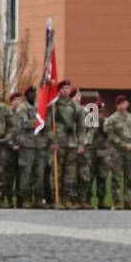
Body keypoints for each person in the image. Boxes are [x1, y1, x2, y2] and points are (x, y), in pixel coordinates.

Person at [49, 80, 83, 209]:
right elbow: (47, 126)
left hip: (72, 144)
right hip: (58, 143)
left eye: (68, 88)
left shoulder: (76, 107)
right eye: (63, 88)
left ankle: (67, 199)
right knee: (56, 172)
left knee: (70, 173)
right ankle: (56, 199)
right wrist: (52, 140)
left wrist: (81, 143)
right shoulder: (53, 105)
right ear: (59, 90)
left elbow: (81, 127)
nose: (66, 90)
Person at [103, 95, 131, 210]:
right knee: (116, 178)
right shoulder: (111, 119)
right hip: (117, 152)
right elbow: (110, 135)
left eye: (124, 102)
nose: (122, 104)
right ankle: (117, 202)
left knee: (130, 177)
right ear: (117, 105)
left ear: (127, 104)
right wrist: (123, 144)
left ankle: (129, 201)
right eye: (120, 103)